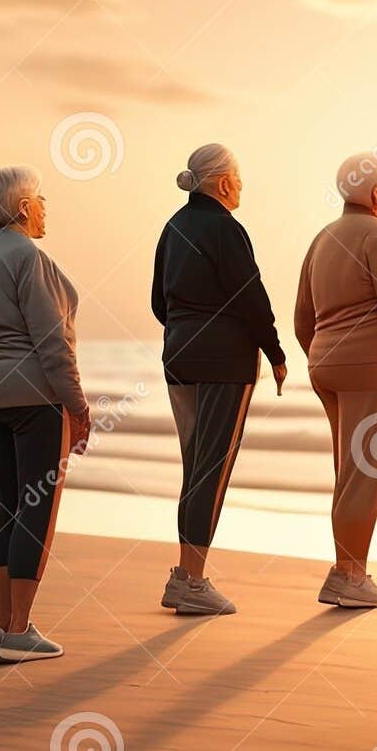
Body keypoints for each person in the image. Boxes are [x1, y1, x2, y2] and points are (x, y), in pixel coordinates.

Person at [152, 143, 287, 618]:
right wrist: (275, 351)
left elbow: (157, 302)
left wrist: (185, 329)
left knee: (195, 463)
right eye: (239, 179)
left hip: (179, 352)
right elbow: (251, 295)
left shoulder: (173, 227)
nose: (242, 187)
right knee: (213, 466)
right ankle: (192, 579)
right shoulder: (227, 229)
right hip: (224, 358)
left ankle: (183, 574)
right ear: (225, 182)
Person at [0, 167, 90, 664]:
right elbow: (52, 341)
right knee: (37, 508)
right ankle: (18, 631)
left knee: (8, 506)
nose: (45, 206)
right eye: (40, 198)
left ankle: (3, 627)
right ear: (22, 207)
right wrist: (78, 406)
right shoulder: (27, 255)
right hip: (33, 394)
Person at [294, 152, 377, 609]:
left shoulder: (322, 237)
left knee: (347, 471)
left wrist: (321, 354)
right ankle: (349, 574)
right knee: (364, 472)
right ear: (375, 194)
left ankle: (345, 568)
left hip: (324, 364)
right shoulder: (376, 234)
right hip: (368, 364)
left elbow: (301, 319)